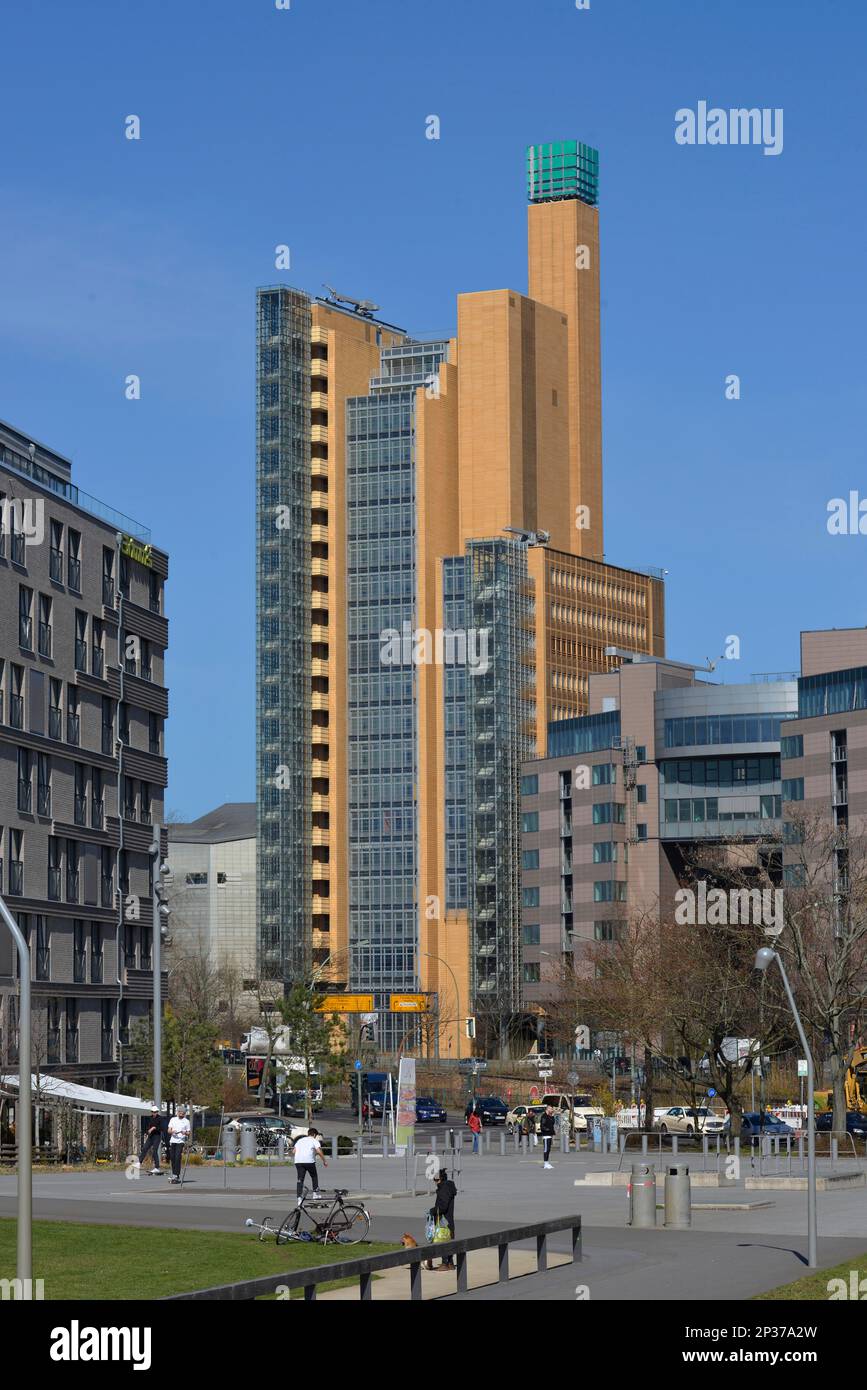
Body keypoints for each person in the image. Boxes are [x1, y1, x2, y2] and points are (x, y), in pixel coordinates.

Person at [424, 1168, 457, 1272]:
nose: (435, 1182)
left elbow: (442, 1206)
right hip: (449, 1219)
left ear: (440, 1179)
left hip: (443, 1220)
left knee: (442, 1240)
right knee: (448, 1240)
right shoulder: (448, 1187)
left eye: (436, 1180)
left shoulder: (443, 1189)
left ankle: (444, 1263)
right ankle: (450, 1263)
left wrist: (432, 1211)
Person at [293, 1126, 328, 1204]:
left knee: (300, 1179)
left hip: (298, 1161)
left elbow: (294, 1151)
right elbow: (319, 1151)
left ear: (308, 1133)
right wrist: (324, 1161)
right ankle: (315, 1194)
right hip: (309, 1161)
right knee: (314, 1176)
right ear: (314, 1135)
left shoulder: (300, 1140)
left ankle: (299, 1198)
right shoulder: (314, 1141)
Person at [167, 1105, 191, 1184]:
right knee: (173, 1158)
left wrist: (185, 1132)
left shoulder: (186, 1121)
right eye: (180, 1113)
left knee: (177, 1157)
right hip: (173, 1140)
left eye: (183, 1113)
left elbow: (188, 1132)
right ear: (178, 1112)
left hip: (180, 1141)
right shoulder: (173, 1119)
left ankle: (176, 1175)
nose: (181, 1114)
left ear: (184, 1113)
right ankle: (174, 1174)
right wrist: (172, 1131)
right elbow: (169, 1130)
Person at [139, 1105, 164, 1175]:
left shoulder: (160, 1118)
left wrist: (154, 1128)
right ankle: (139, 1163)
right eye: (153, 1112)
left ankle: (157, 1167)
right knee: (144, 1149)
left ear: (157, 1112)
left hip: (157, 1136)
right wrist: (147, 1132)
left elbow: (162, 1128)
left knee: (154, 1151)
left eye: (156, 1112)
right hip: (150, 1136)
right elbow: (147, 1127)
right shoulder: (149, 1118)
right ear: (151, 1112)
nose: (154, 1113)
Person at [539, 1104, 557, 1170]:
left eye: (552, 1109)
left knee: (548, 1150)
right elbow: (542, 1126)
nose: (552, 1110)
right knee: (546, 1150)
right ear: (547, 1109)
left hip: (549, 1135)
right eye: (551, 1109)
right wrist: (547, 1130)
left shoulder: (549, 1116)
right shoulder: (544, 1116)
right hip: (546, 1135)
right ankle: (545, 1163)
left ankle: (547, 1162)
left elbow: (552, 1123)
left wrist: (552, 1116)